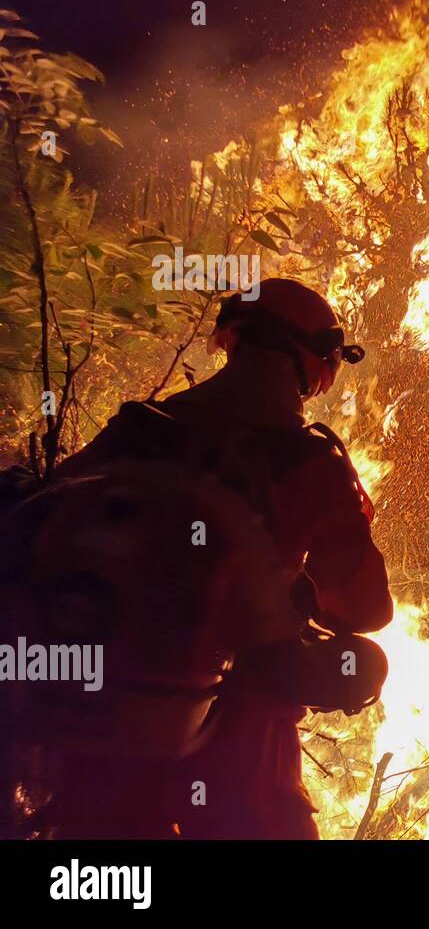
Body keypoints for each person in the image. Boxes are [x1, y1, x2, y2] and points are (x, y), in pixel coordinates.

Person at [35, 277, 393, 838]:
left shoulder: (139, 429)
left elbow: (45, 515)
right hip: (242, 737)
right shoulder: (312, 465)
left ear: (234, 337)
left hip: (100, 717)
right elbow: (365, 613)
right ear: (316, 361)